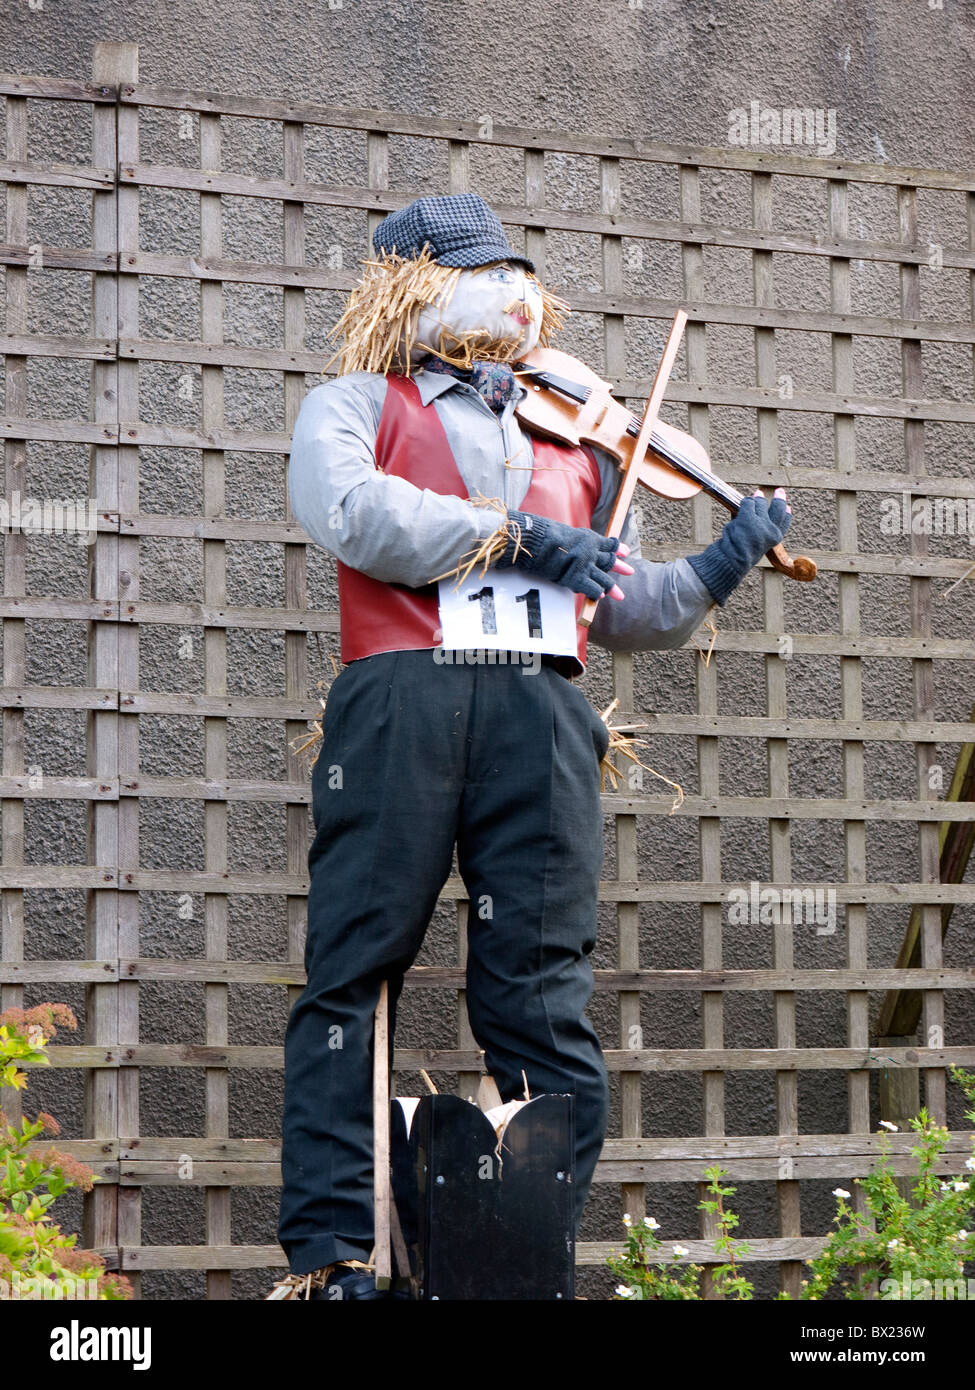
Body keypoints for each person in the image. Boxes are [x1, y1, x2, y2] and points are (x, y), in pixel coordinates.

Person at [269, 193, 792, 1300]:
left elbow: (628, 605)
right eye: (478, 267)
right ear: (406, 286)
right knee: (354, 972)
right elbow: (354, 513)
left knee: (545, 993)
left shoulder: (580, 433)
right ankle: (337, 1256)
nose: (510, 286)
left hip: (545, 716)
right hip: (403, 697)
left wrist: (719, 566)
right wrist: (512, 533)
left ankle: (522, 1236)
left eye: (515, 267)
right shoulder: (355, 403)